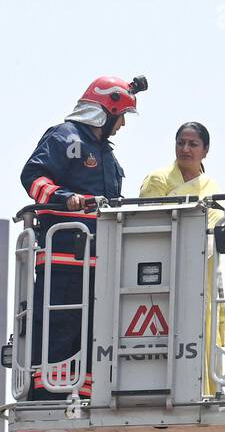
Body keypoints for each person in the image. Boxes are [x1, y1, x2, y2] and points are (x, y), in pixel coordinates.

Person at [19, 75, 145, 401]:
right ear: (107, 111)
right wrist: (64, 196)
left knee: (91, 330)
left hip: (96, 261)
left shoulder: (107, 156)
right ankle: (49, 394)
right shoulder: (65, 138)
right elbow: (32, 176)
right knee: (59, 325)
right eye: (122, 118)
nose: (123, 126)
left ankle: (83, 391)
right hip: (62, 260)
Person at [140, 122, 225, 396]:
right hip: (164, 271)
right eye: (181, 142)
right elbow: (146, 227)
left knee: (202, 332)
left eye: (193, 144)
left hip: (202, 273)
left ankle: (202, 393)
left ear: (205, 150)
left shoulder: (212, 186)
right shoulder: (158, 180)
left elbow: (215, 230)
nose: (185, 149)